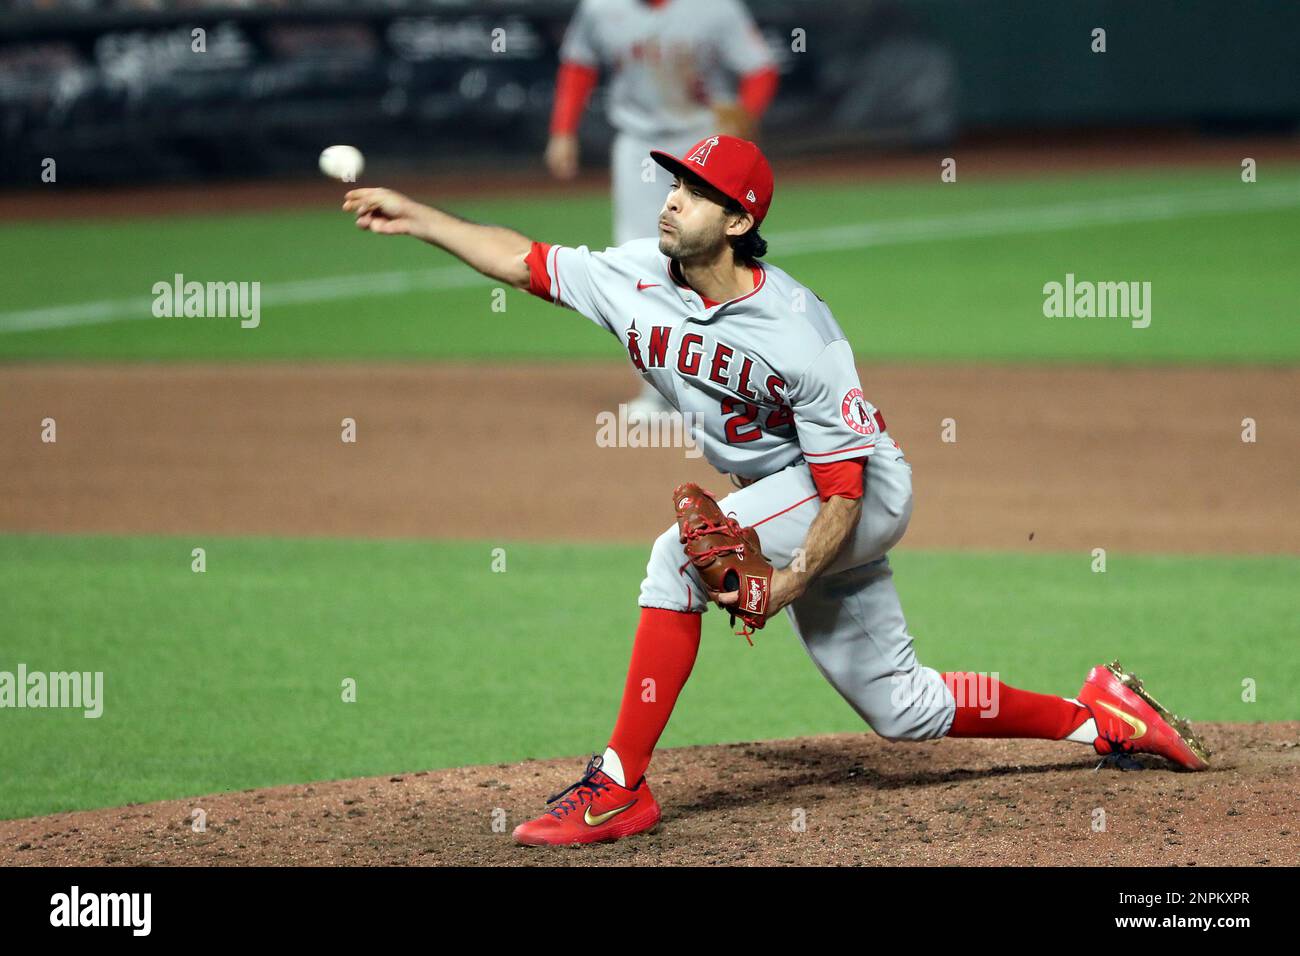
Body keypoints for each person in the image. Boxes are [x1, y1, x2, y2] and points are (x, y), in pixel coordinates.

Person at [341, 134, 1209, 849]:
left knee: (674, 558)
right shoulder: (635, 276)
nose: (674, 197)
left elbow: (841, 491)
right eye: (676, 179)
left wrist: (788, 583)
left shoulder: (799, 334)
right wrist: (418, 218)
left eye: (698, 189)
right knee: (901, 709)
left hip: (855, 496)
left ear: (739, 218)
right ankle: (1099, 718)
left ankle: (617, 788)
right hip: (782, 499)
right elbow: (523, 259)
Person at [544, 0, 778, 422]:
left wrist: (745, 118)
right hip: (637, 143)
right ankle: (659, 390)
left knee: (711, 261)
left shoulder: (715, 9)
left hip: (703, 141)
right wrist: (563, 131)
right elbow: (578, 66)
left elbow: (760, 68)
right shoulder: (601, 9)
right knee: (637, 264)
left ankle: (730, 382)